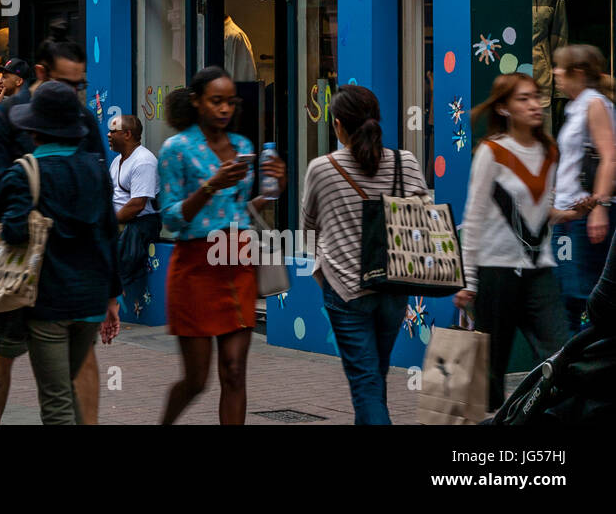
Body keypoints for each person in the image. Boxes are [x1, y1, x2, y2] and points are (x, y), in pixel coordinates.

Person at [0, 19, 110, 425]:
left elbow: (100, 196)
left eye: (80, 84)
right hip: (15, 263)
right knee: (2, 354)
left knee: (80, 363)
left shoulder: (83, 121)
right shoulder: (5, 118)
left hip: (69, 270)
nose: (75, 93)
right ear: (41, 75)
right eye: (68, 84)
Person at [158, 67, 286, 425]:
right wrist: (210, 186)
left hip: (238, 262)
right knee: (196, 380)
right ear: (197, 101)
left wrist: (274, 189)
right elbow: (169, 218)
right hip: (196, 268)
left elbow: (238, 211)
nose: (225, 109)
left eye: (230, 102)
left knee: (233, 371)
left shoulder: (243, 147)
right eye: (216, 101)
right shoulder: (175, 149)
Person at [455, 73, 584, 410]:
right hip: (495, 272)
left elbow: (536, 212)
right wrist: (468, 280)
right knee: (490, 377)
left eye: (536, 96)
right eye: (523, 99)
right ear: (504, 108)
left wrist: (568, 214)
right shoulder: (492, 152)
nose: (534, 104)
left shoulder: (549, 151)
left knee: (560, 355)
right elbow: (474, 217)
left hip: (538, 271)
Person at [0, 81, 121, 424]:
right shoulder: (96, 169)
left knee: (56, 402)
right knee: (67, 386)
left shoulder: (25, 172)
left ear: (34, 131)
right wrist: (113, 298)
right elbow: (110, 232)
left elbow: (13, 231)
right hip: (90, 302)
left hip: (48, 301)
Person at [299, 84, 424, 424]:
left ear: (338, 124)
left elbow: (307, 229)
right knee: (374, 376)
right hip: (395, 285)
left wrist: (320, 272)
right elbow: (425, 222)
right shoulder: (406, 162)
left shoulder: (321, 169)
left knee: (366, 382)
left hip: (345, 290)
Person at [550, 44, 616, 333]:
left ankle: (585, 367)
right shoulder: (575, 106)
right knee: (566, 294)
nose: (554, 73)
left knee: (581, 293)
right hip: (567, 214)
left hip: (586, 214)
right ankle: (571, 367)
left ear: (576, 72)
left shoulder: (594, 103)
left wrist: (600, 208)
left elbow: (609, 156)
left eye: (559, 67)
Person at [107, 113, 160, 310]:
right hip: (121, 222)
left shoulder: (143, 161)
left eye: (114, 131)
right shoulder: (117, 161)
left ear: (127, 134)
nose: (109, 135)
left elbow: (137, 204)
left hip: (140, 224)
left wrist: (109, 223)